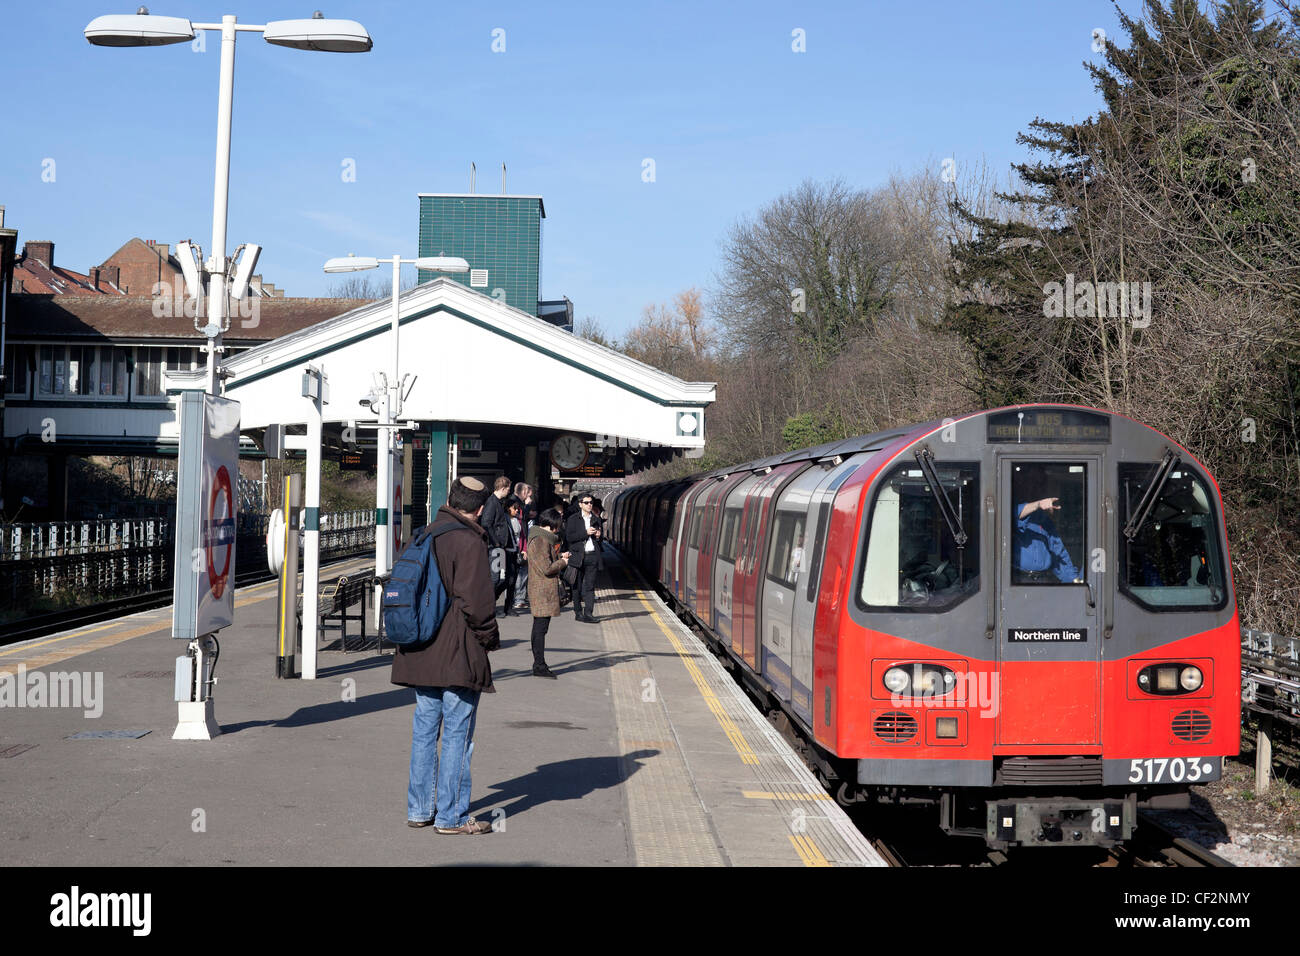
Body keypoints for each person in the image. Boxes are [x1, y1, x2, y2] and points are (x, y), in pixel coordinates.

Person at [392, 475, 500, 835]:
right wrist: (488, 639)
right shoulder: (469, 542)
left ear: (451, 500)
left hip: (421, 650)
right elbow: (478, 606)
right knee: (457, 734)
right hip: (457, 653)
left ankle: (419, 809)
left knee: (424, 731)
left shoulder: (425, 534)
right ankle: (450, 816)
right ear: (480, 509)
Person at [526, 508, 570, 678]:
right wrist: (563, 562)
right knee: (540, 629)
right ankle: (539, 665)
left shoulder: (541, 539)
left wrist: (559, 556)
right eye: (557, 526)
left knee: (540, 628)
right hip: (542, 590)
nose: (558, 530)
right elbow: (546, 568)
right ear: (551, 525)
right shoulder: (540, 541)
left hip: (542, 590)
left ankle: (539, 664)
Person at [1012, 496, 1079, 583]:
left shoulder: (1044, 521)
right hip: (1018, 580)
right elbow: (1015, 514)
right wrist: (1038, 504)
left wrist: (1074, 580)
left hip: (1042, 581)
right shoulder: (1010, 513)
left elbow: (1058, 553)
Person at [564, 492, 603, 623]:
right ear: (580, 504)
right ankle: (578, 612)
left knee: (590, 586)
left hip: (592, 555)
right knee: (577, 586)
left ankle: (589, 613)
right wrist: (585, 533)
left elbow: (600, 540)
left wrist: (598, 536)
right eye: (586, 502)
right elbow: (569, 537)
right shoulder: (573, 519)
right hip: (578, 556)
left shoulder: (596, 519)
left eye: (591, 502)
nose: (589, 505)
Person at [479, 476, 513, 604]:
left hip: (498, 545)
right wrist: (496, 542)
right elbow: (486, 523)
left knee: (500, 578)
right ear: (503, 488)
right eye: (508, 489)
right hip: (495, 546)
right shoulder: (493, 503)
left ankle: (489, 604)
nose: (509, 491)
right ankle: (488, 605)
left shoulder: (496, 502)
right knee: (496, 578)